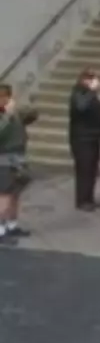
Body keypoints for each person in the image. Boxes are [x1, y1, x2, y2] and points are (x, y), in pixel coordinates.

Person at [0, 84, 38, 245]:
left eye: (7, 96)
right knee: (5, 195)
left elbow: (32, 115)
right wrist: (7, 117)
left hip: (19, 158)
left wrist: (26, 104)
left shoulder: (15, 113)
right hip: (4, 159)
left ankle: (12, 224)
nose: (5, 99)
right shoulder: (5, 116)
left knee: (15, 194)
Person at [68, 69, 100, 211]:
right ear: (84, 80)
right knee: (84, 169)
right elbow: (81, 107)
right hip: (82, 139)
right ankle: (82, 200)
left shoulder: (89, 94)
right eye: (92, 80)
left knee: (91, 169)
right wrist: (92, 91)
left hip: (92, 137)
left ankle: (89, 197)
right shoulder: (78, 93)